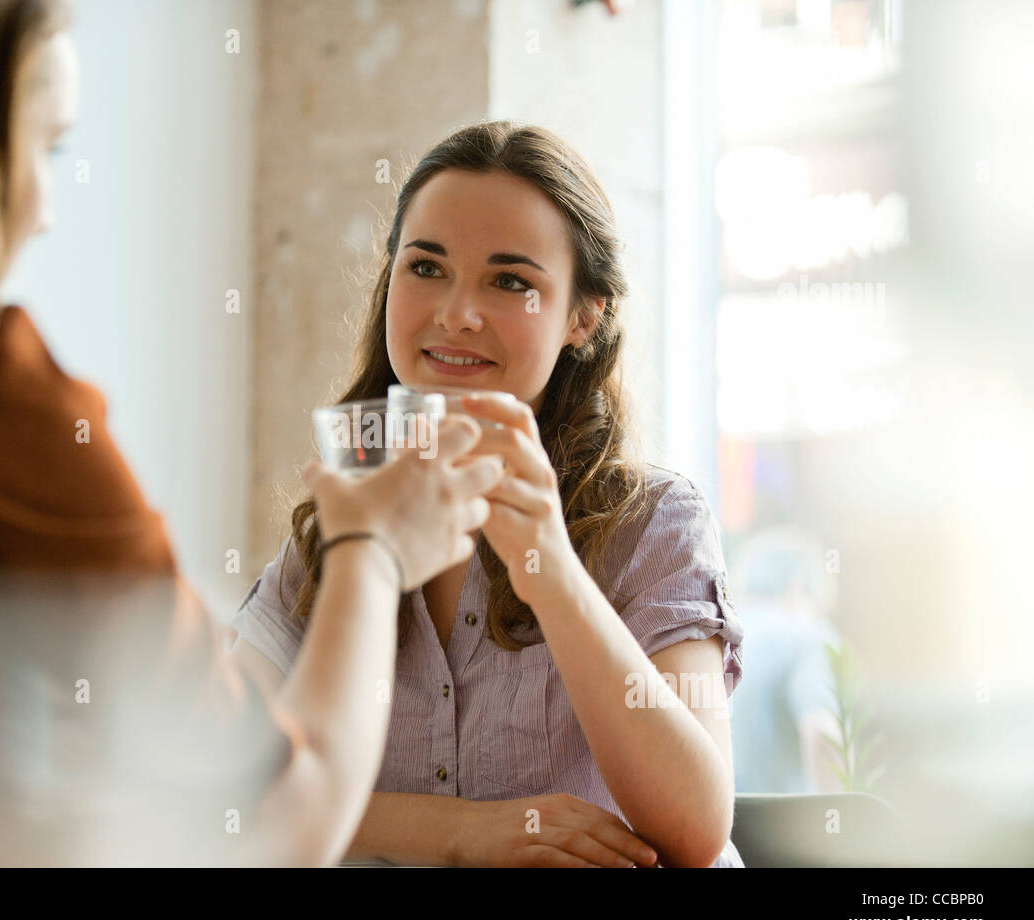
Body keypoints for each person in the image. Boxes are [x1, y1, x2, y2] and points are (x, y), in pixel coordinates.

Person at [0, 0, 503, 866]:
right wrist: (375, 547)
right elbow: (277, 821)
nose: (47, 210)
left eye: (510, 281)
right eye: (44, 148)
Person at [231, 121, 747, 867]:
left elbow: (698, 828)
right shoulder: (335, 529)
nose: (455, 313)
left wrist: (554, 570)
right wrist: (463, 832)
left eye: (511, 281)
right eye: (426, 267)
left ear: (583, 315)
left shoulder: (654, 523)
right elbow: (231, 794)